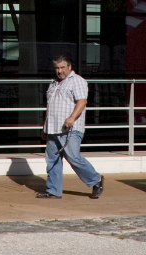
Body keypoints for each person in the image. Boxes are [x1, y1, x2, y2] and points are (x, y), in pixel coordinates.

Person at [38, 54, 104, 200]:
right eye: (57, 68)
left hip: (70, 128)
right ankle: (54, 190)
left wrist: (72, 117)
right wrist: (44, 127)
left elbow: (82, 101)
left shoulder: (77, 81)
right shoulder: (53, 84)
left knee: (73, 157)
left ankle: (96, 180)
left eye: (62, 67)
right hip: (52, 127)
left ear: (69, 67)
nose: (59, 71)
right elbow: (49, 107)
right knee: (52, 160)